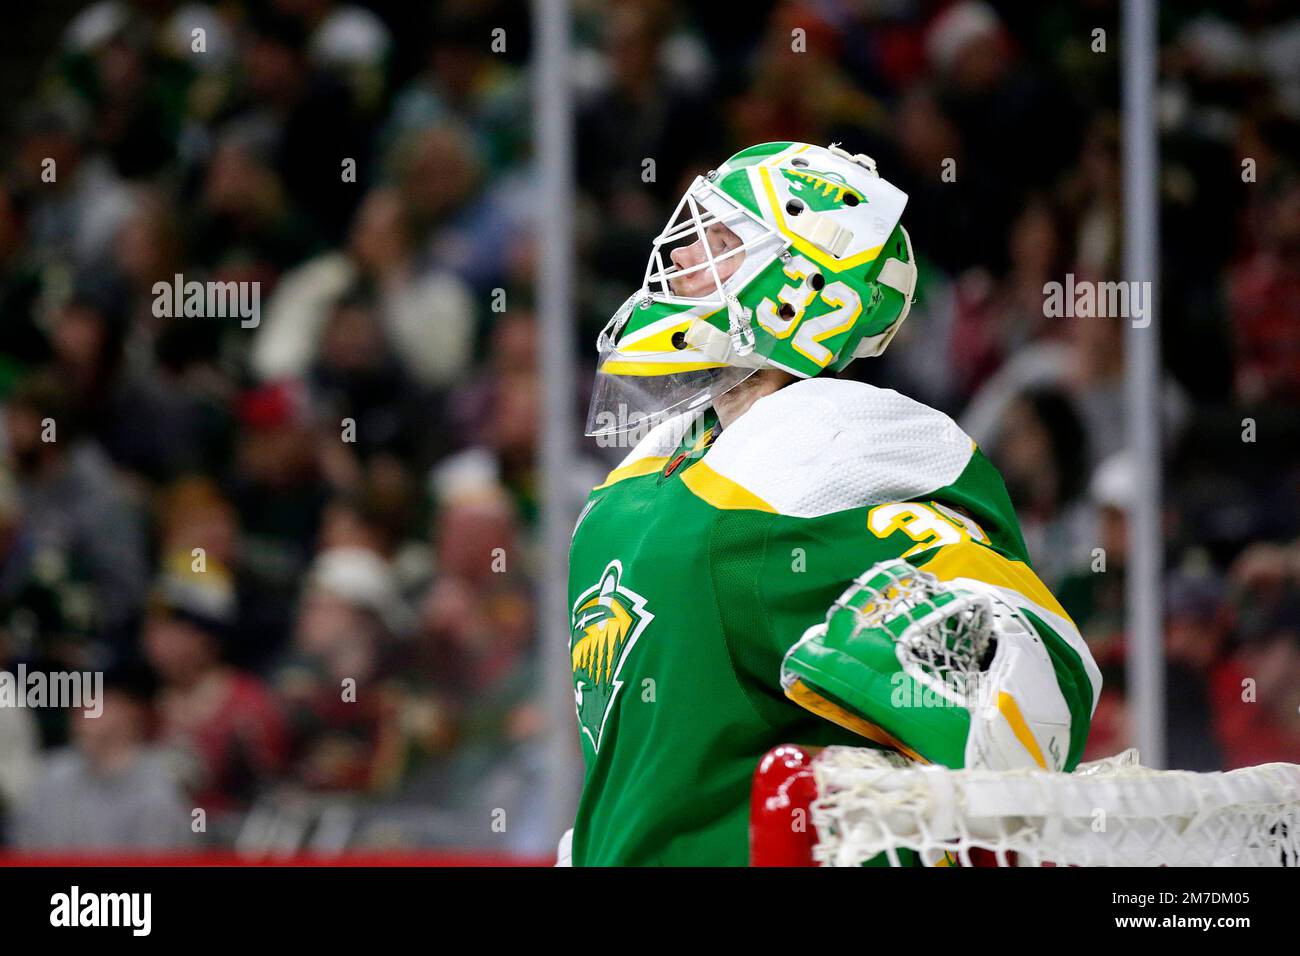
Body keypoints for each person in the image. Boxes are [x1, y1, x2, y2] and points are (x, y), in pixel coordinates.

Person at [565, 142, 1101, 865]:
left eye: (719, 243)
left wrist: (954, 660)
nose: (683, 261)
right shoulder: (649, 469)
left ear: (802, 287)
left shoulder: (820, 451)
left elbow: (1040, 689)